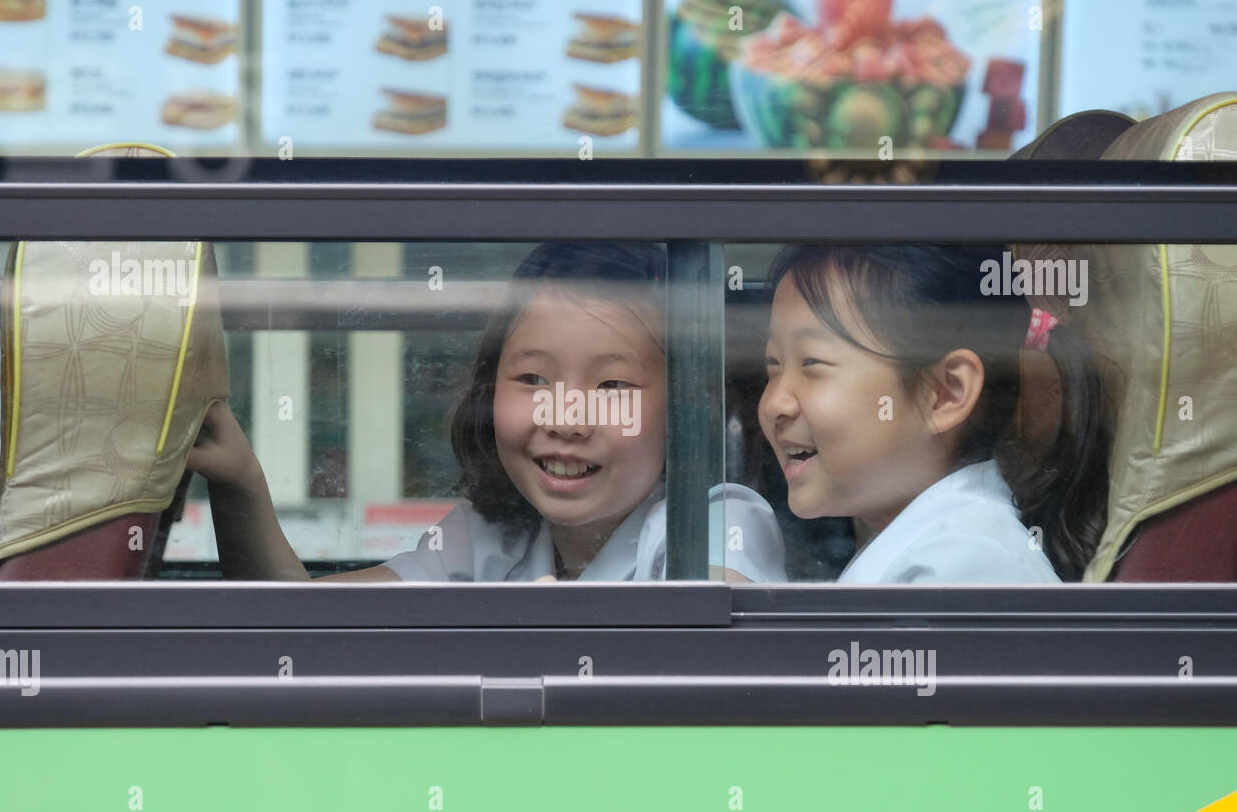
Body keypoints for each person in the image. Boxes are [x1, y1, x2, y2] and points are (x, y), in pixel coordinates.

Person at [190, 242, 786, 582]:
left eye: (611, 386)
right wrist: (242, 483)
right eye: (531, 378)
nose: (566, 418)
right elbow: (306, 630)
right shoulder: (485, 541)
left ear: (686, 408)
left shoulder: (713, 523)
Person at [758, 244, 1110, 584]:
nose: (774, 403)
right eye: (773, 365)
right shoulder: (937, 552)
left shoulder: (961, 569)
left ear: (945, 393)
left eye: (812, 363)